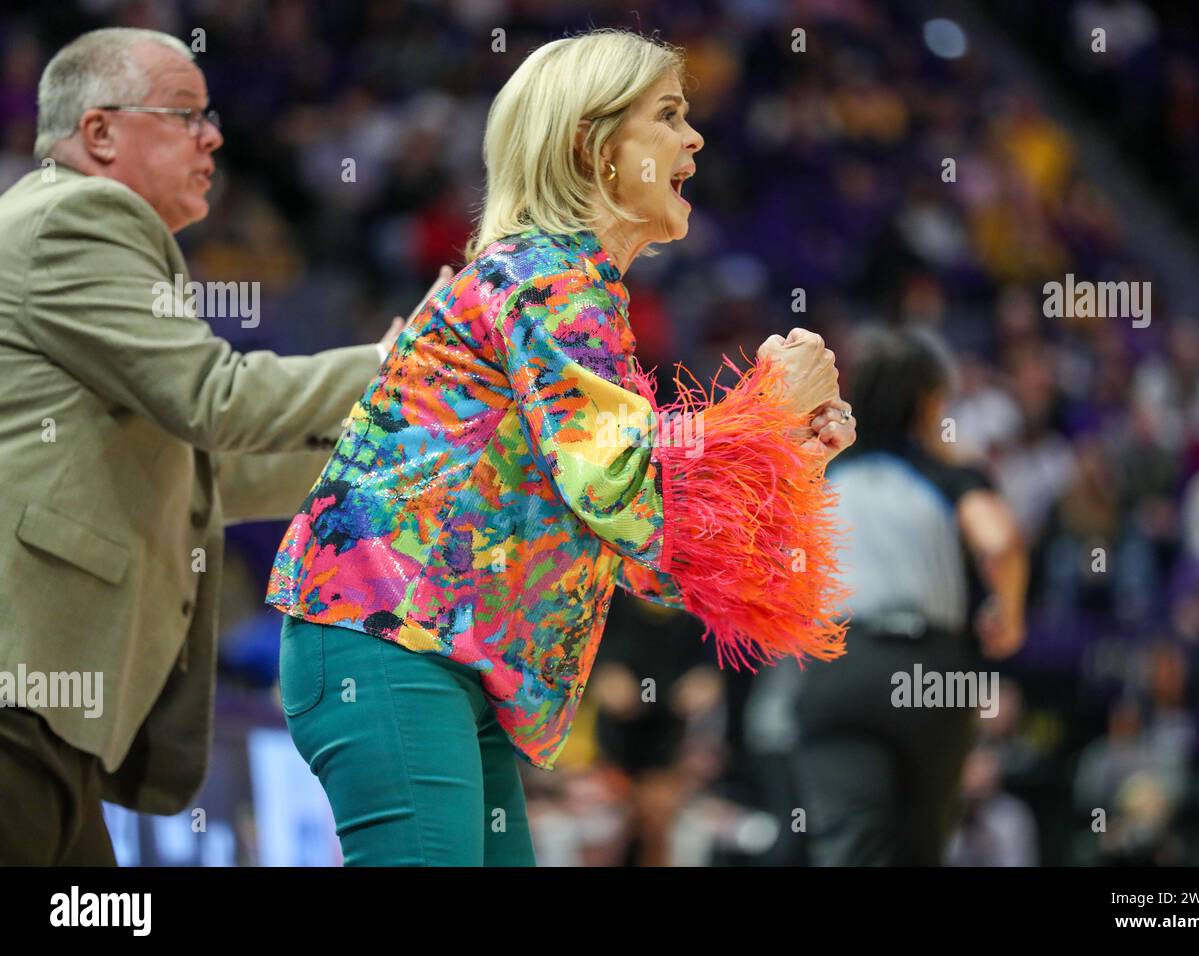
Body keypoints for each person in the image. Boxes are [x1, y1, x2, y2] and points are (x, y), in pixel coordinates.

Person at [266, 28, 857, 866]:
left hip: (444, 660)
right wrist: (764, 413)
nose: (694, 139)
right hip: (387, 642)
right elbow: (616, 485)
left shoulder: (580, 294)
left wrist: (787, 449)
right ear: (592, 144)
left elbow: (644, 549)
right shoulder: (544, 276)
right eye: (668, 115)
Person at [0, 28, 419, 865]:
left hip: (51, 711)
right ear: (101, 134)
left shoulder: (77, 234)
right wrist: (390, 367)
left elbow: (204, 475)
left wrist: (389, 441)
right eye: (186, 114)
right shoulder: (78, 215)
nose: (214, 137)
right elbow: (214, 400)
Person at [790, 325, 1029, 866]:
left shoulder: (821, 472)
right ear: (929, 403)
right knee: (920, 850)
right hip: (933, 674)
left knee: (849, 849)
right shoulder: (950, 476)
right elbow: (1001, 541)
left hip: (840, 665)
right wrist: (1008, 614)